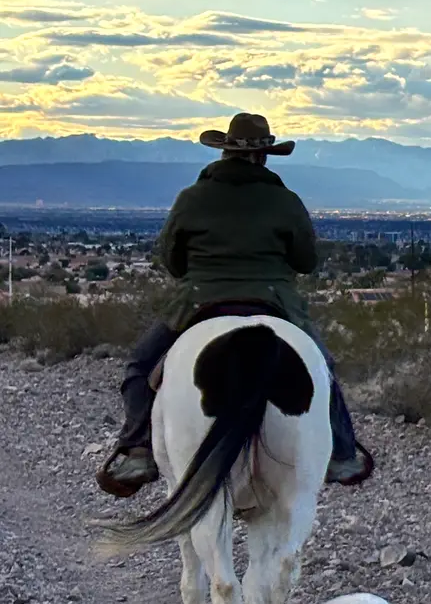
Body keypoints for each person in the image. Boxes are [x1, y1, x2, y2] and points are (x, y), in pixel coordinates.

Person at [97, 112, 375, 498]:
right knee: (322, 370)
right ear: (265, 156)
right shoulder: (285, 200)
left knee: (141, 366)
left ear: (224, 151)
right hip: (274, 302)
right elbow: (306, 262)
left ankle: (137, 449)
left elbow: (173, 263)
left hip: (198, 302)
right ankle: (342, 453)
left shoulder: (191, 198)